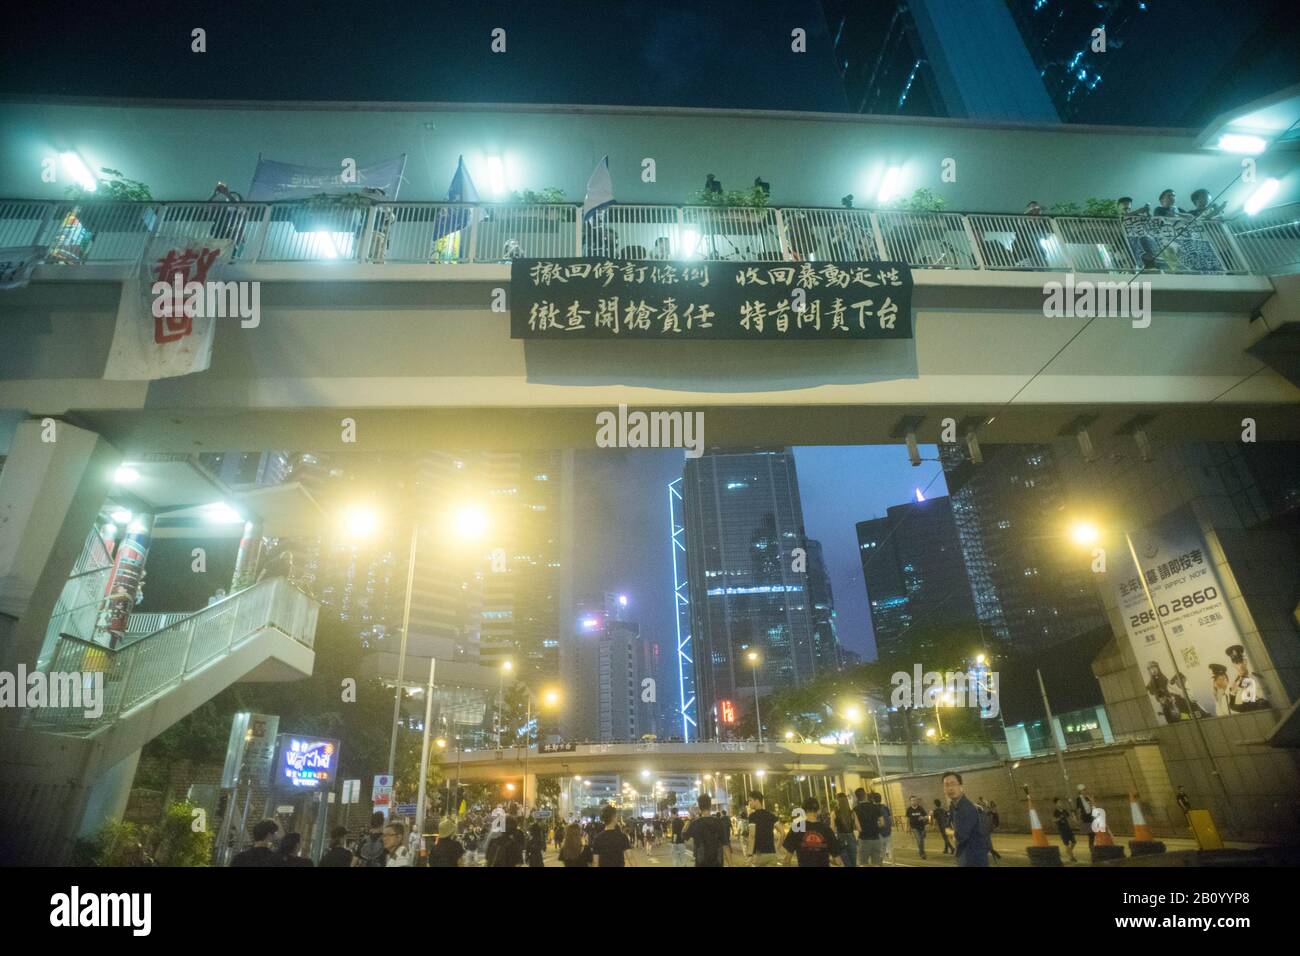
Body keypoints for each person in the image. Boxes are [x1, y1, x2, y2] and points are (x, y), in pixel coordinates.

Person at [943, 771, 990, 867]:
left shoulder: (967, 808)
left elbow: (960, 836)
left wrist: (949, 832)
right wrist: (949, 829)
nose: (950, 788)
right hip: (964, 854)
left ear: (961, 787)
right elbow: (949, 823)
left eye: (953, 784)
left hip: (974, 858)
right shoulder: (953, 805)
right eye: (946, 785)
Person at [781, 796, 842, 867]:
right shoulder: (827, 830)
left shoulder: (797, 828)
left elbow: (787, 860)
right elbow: (838, 861)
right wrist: (829, 860)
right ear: (818, 811)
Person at [682, 793, 731, 867]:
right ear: (710, 805)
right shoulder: (719, 822)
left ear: (699, 807)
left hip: (701, 863)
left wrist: (689, 820)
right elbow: (725, 845)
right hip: (717, 863)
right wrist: (731, 864)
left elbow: (684, 835)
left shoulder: (695, 823)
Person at [745, 792, 780, 867]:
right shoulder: (771, 815)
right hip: (771, 854)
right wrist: (777, 848)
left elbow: (752, 836)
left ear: (757, 801)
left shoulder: (752, 816)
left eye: (750, 800)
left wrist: (750, 854)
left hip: (759, 855)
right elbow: (783, 833)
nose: (749, 803)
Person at [852, 788, 882, 866]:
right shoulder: (875, 807)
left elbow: (859, 828)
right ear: (865, 795)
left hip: (864, 839)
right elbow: (882, 823)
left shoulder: (855, 810)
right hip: (876, 838)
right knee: (876, 863)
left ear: (857, 797)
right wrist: (875, 826)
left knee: (863, 863)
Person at [831, 792, 858, 867]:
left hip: (841, 838)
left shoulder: (834, 813)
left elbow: (832, 830)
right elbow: (859, 828)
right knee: (853, 863)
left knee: (847, 863)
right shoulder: (852, 812)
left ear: (837, 801)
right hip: (851, 837)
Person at [1052, 798, 1078, 862]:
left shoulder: (1064, 810)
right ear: (1056, 804)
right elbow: (1053, 820)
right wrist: (1059, 818)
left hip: (1068, 828)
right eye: (1059, 802)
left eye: (1061, 802)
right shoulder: (1055, 812)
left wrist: (1074, 818)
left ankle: (1068, 851)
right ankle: (1072, 857)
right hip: (1062, 830)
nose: (1060, 803)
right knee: (1067, 845)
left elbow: (1070, 817)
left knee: (1074, 842)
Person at [874, 792, 894, 863]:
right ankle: (889, 855)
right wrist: (890, 826)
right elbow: (890, 818)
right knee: (888, 844)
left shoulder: (873, 808)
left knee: (881, 847)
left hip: (879, 830)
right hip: (887, 829)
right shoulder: (885, 807)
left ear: (873, 800)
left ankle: (881, 860)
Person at [1075, 784, 1097, 850]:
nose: (1085, 791)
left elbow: (1093, 805)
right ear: (1080, 791)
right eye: (1083, 790)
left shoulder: (1087, 798)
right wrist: (1079, 820)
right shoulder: (1078, 799)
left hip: (1090, 817)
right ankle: (1091, 848)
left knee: (1093, 834)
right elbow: (1078, 810)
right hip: (1085, 818)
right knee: (1091, 834)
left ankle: (1092, 847)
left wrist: (1091, 799)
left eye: (1085, 790)